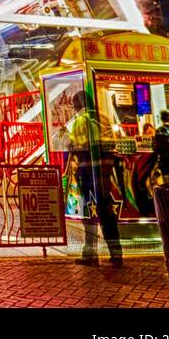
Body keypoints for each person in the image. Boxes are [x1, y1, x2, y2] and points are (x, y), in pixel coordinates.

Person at [65, 99, 123, 266]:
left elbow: (74, 145)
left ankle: (91, 254)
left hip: (88, 172)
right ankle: (116, 254)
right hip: (104, 173)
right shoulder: (104, 118)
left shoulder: (80, 122)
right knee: (107, 215)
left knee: (88, 215)